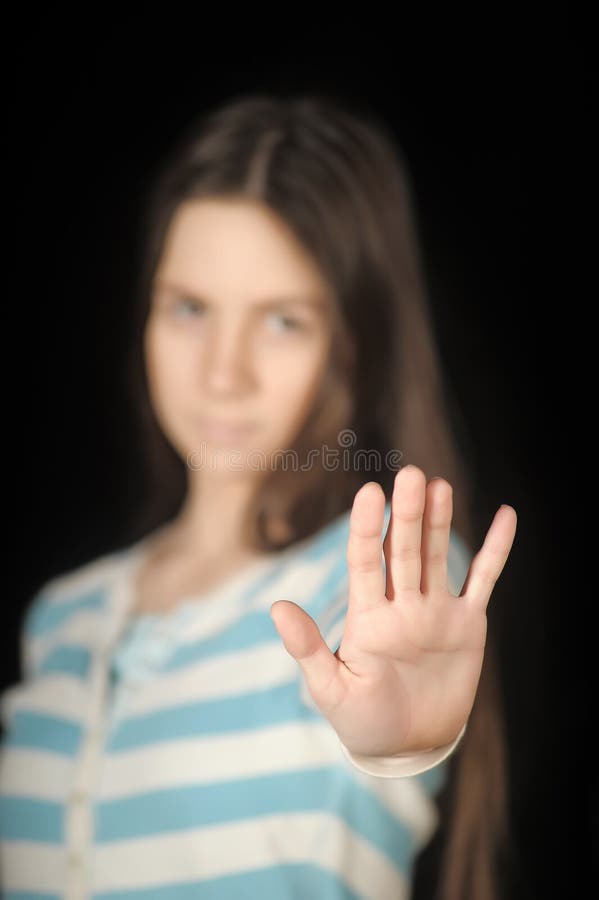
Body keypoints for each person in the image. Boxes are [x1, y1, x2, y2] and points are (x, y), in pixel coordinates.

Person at [0, 91, 517, 899]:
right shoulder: (62, 616)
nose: (221, 374)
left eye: (281, 322)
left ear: (352, 346)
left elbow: (387, 726)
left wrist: (400, 745)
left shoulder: (378, 587)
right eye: (189, 309)